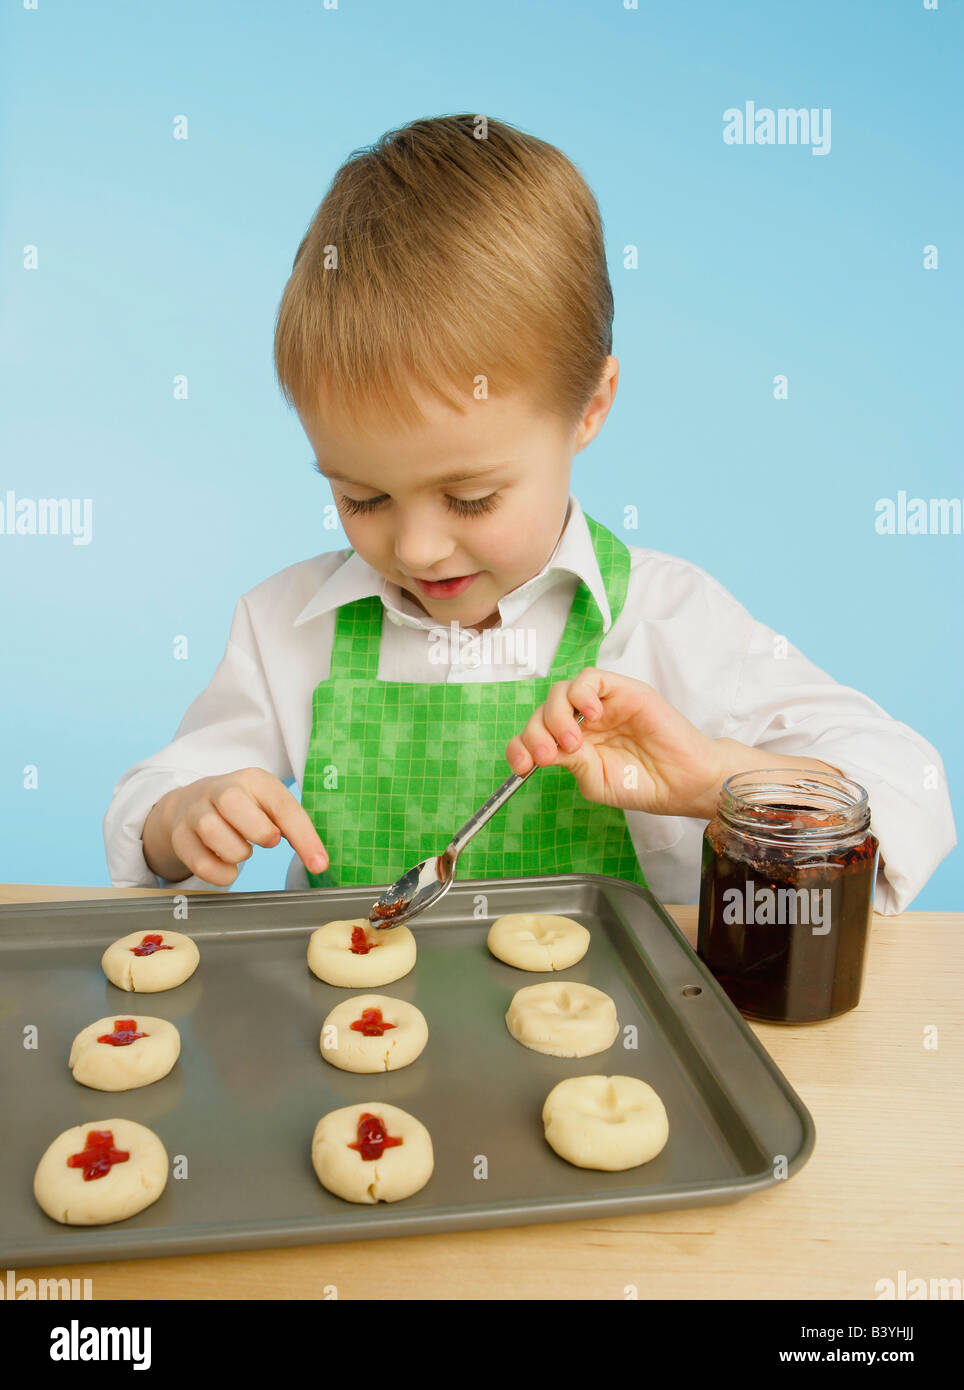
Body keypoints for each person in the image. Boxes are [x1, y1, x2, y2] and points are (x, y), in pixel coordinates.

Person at [103, 114, 955, 914]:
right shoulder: (285, 626)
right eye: (362, 497)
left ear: (590, 408)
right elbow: (148, 804)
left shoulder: (665, 620)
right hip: (349, 1048)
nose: (418, 547)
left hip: (612, 1057)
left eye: (470, 497)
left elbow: (907, 780)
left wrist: (716, 782)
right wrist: (184, 815)